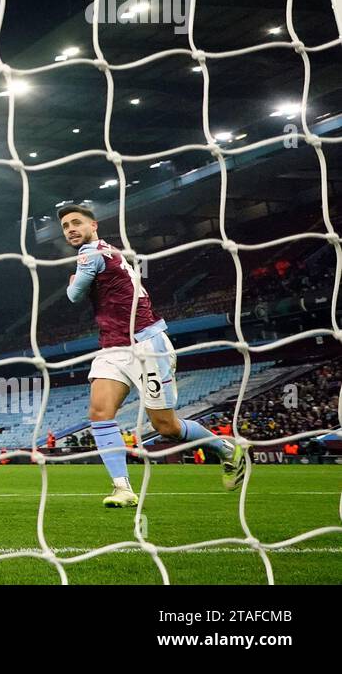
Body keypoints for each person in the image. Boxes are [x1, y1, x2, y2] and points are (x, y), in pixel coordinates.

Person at [59, 204, 247, 507]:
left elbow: (74, 295)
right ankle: (123, 488)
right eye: (66, 226)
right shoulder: (109, 252)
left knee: (166, 427)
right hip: (113, 347)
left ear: (94, 225)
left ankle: (226, 450)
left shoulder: (91, 254)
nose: (70, 229)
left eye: (76, 223)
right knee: (99, 414)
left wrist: (72, 282)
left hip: (146, 345)